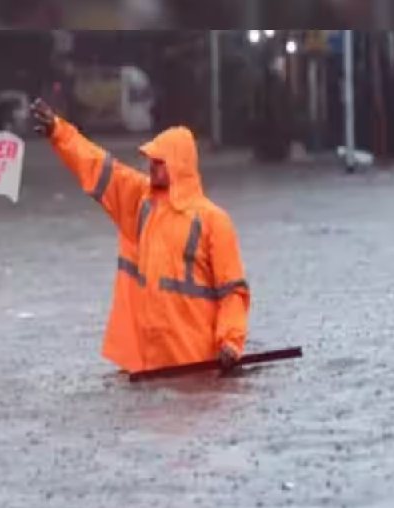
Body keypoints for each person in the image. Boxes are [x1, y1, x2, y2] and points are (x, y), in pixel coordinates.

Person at [31, 98, 250, 373]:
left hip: (196, 364)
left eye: (160, 162)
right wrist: (59, 132)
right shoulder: (141, 201)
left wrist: (230, 342)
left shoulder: (214, 221)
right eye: (152, 161)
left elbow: (233, 291)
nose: (151, 166)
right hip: (149, 364)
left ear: (178, 165)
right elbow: (98, 166)